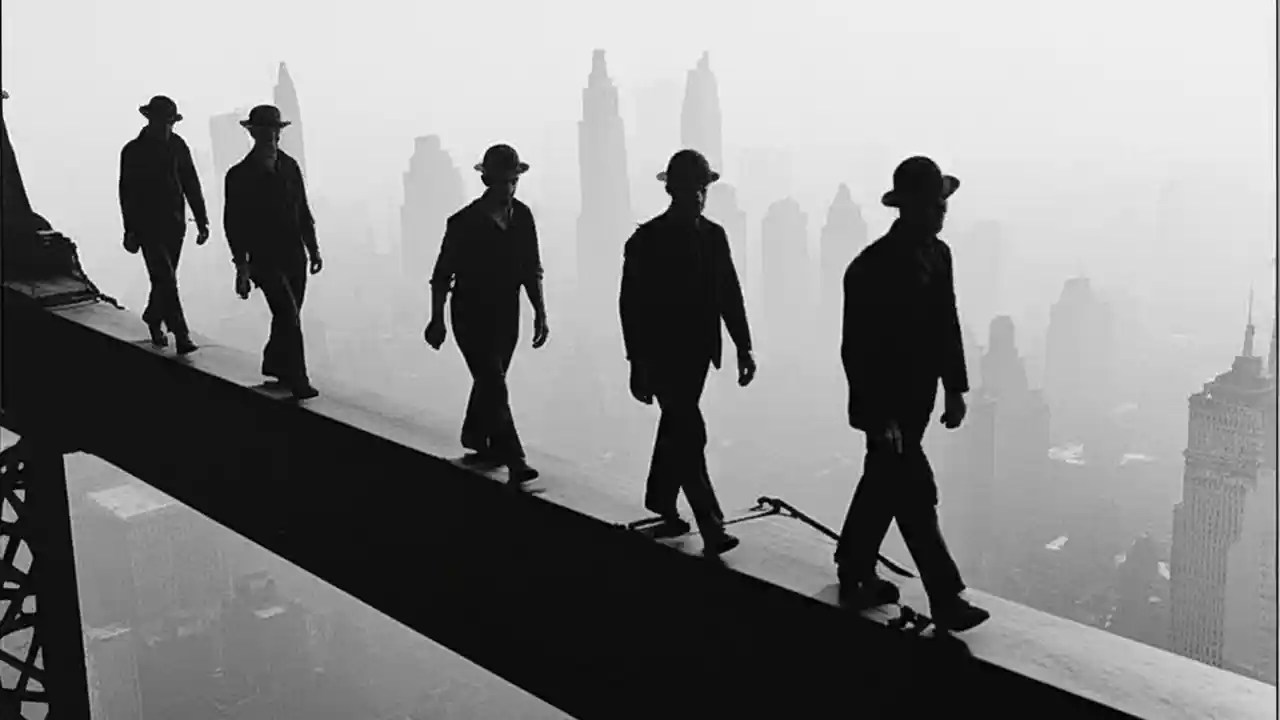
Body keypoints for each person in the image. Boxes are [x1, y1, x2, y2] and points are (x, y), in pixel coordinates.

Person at [836, 155, 989, 631]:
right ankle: (945, 595)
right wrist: (878, 416)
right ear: (913, 206)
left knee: (882, 485)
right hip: (889, 406)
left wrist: (955, 388)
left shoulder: (938, 255)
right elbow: (857, 350)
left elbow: (947, 322)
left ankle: (853, 566)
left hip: (917, 402)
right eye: (937, 202)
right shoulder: (871, 269)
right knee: (914, 493)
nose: (944, 210)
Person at [619, 149, 756, 556]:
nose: (697, 196)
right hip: (662, 355)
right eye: (690, 189)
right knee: (689, 430)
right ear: (673, 190)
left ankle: (660, 498)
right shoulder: (646, 241)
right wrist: (637, 362)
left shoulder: (714, 237)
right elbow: (631, 306)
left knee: (676, 426)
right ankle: (711, 525)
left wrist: (743, 345)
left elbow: (729, 292)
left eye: (701, 189)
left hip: (698, 354)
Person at [425, 144, 548, 483]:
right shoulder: (463, 223)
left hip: (507, 314)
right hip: (470, 314)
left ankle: (476, 436)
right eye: (503, 181)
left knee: (491, 382)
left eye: (513, 181)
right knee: (493, 382)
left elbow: (531, 268)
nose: (509, 188)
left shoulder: (522, 217)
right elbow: (441, 275)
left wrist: (540, 311)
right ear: (487, 181)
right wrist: (436, 319)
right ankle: (515, 456)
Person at [223, 105, 322, 401]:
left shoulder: (290, 166)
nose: (270, 135)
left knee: (288, 316)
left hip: (294, 254)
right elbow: (234, 223)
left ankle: (276, 364)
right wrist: (241, 266)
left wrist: (313, 247)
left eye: (273, 129)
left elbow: (303, 209)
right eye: (264, 129)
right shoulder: (239, 175)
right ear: (253, 132)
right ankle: (298, 379)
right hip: (264, 258)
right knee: (288, 315)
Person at [119, 95, 209, 353]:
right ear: (150, 120)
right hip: (147, 227)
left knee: (163, 280)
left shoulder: (178, 146)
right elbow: (127, 193)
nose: (166, 127)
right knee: (167, 279)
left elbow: (191, 183)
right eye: (162, 121)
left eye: (169, 122)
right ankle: (181, 334)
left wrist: (201, 220)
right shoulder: (133, 151)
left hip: (175, 225)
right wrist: (130, 230)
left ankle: (153, 316)